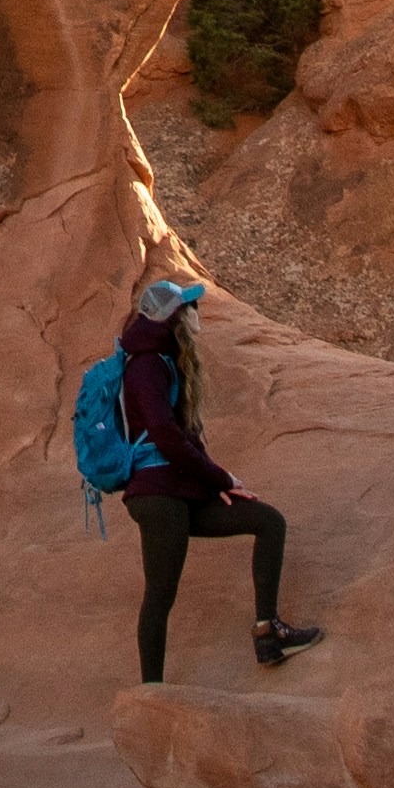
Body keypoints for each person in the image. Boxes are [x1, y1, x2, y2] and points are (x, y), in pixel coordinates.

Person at [114, 275, 322, 685]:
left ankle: (269, 635)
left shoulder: (165, 360)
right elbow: (166, 437)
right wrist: (220, 476)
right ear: (173, 317)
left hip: (179, 491)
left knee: (267, 521)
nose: (196, 315)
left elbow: (185, 436)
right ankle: (152, 696)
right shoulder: (145, 366)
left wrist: (216, 486)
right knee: (160, 596)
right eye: (190, 309)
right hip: (158, 496)